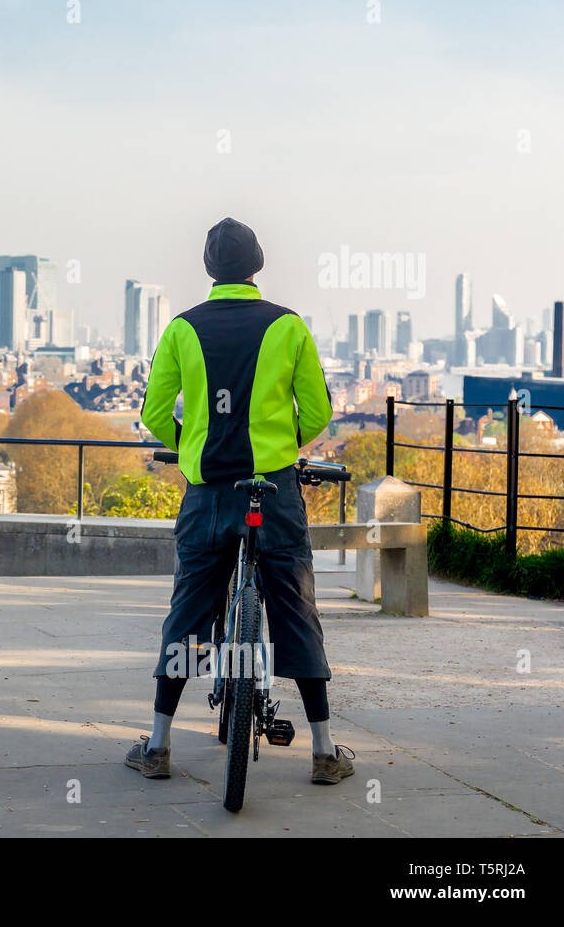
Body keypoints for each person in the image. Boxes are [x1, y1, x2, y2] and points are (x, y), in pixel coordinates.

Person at [128, 217, 354, 785]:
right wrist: (276, 447)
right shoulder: (289, 327)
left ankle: (157, 744)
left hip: (208, 495)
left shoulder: (182, 328)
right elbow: (319, 413)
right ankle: (324, 750)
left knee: (189, 611)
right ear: (257, 264)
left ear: (209, 269)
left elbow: (155, 415)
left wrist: (193, 449)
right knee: (297, 611)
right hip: (272, 491)